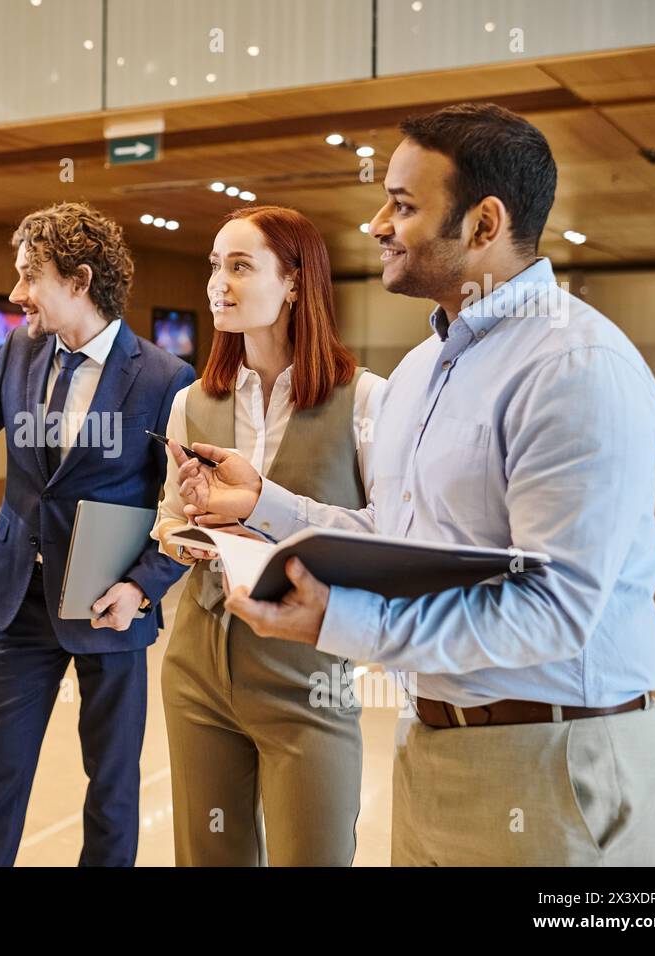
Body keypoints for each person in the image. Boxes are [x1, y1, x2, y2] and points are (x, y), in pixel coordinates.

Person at [174, 103, 655, 866]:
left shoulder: (575, 368)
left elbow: (554, 610)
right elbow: (399, 539)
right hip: (434, 747)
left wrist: (340, 622)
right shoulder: (423, 371)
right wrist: (264, 504)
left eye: (403, 206)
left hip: (559, 759)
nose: (378, 224)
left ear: (484, 224)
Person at [0, 201, 195, 866]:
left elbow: (182, 509)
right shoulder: (21, 349)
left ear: (79, 280)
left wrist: (143, 588)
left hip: (109, 605)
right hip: (21, 604)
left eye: (28, 277)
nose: (15, 295)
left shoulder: (163, 378)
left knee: (112, 788)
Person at [152, 206, 385, 866]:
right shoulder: (193, 400)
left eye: (240, 265)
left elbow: (385, 535)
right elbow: (167, 518)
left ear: (293, 282)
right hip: (198, 669)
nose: (217, 283)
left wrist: (260, 510)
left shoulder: (365, 400)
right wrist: (187, 530)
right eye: (213, 266)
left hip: (309, 675)